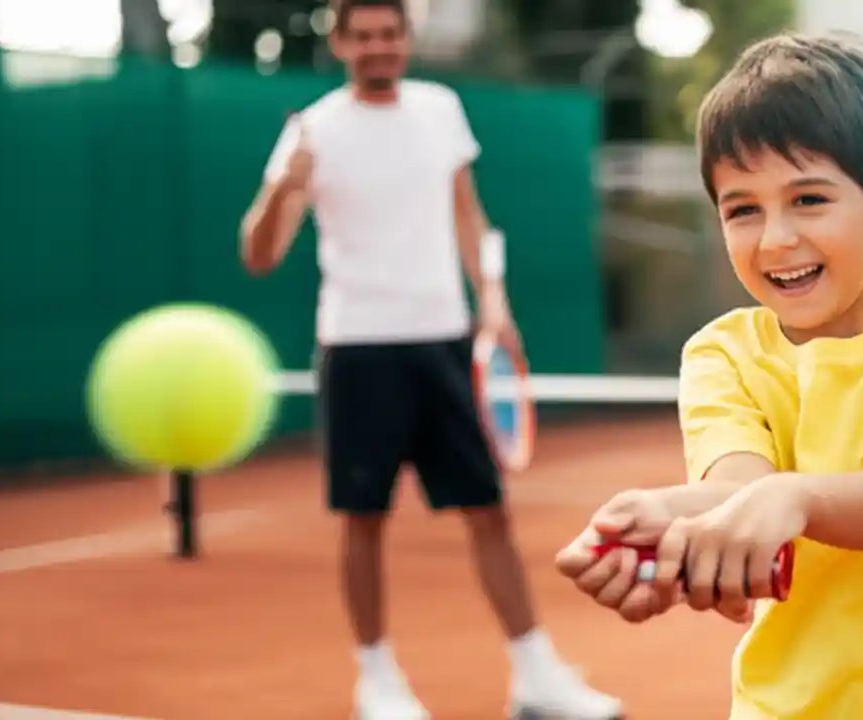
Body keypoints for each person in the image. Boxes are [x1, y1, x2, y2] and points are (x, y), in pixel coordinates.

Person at [556, 32, 863, 720]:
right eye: (742, 208)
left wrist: (792, 499)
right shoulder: (721, 355)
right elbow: (739, 493)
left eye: (808, 199)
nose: (775, 237)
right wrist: (663, 522)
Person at [238, 1, 622, 718]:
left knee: (489, 512)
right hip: (357, 348)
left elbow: (469, 215)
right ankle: (377, 681)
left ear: (405, 40)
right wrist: (281, 184)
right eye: (365, 37)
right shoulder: (311, 131)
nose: (379, 47)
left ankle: (535, 677)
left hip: (444, 340)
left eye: (390, 34)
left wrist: (495, 300)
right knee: (364, 518)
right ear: (342, 43)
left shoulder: (440, 109)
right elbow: (259, 256)